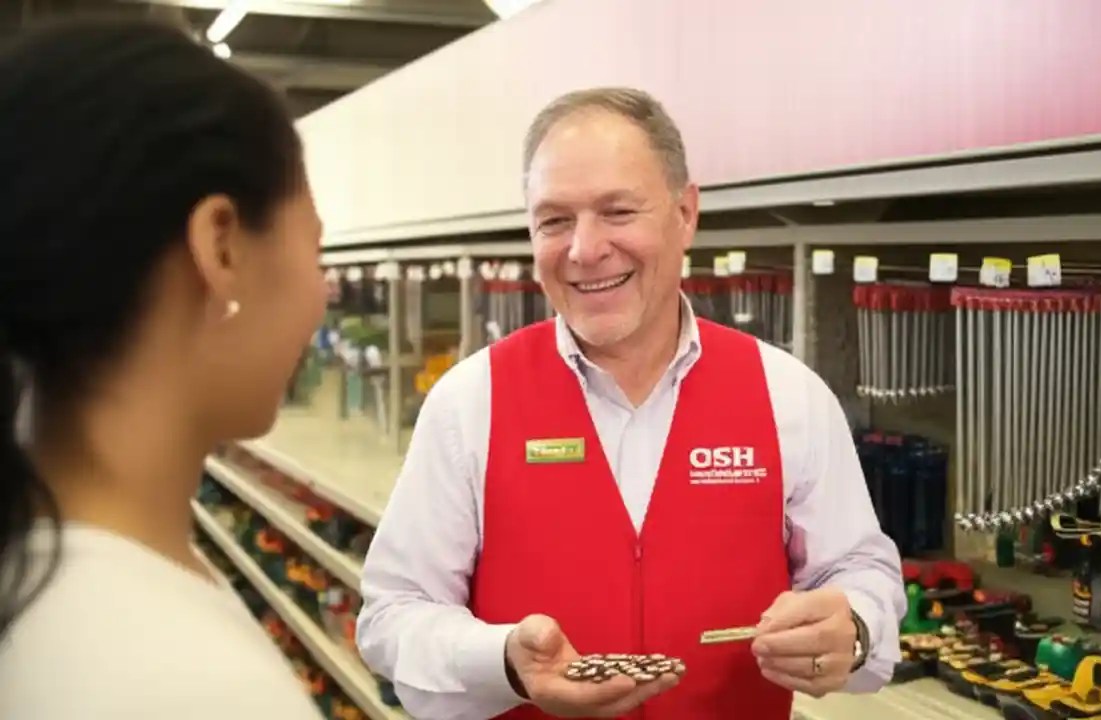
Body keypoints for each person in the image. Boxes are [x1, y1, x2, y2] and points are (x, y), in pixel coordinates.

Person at [357, 87, 907, 719]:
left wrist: (854, 628)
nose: (584, 249)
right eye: (554, 220)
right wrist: (504, 658)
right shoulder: (470, 401)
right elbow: (392, 616)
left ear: (685, 213)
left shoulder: (789, 396)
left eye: (617, 211)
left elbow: (861, 569)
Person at [0, 19, 328, 719]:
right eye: (316, 245)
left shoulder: (45, 570)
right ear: (222, 246)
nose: (322, 292)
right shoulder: (189, 689)